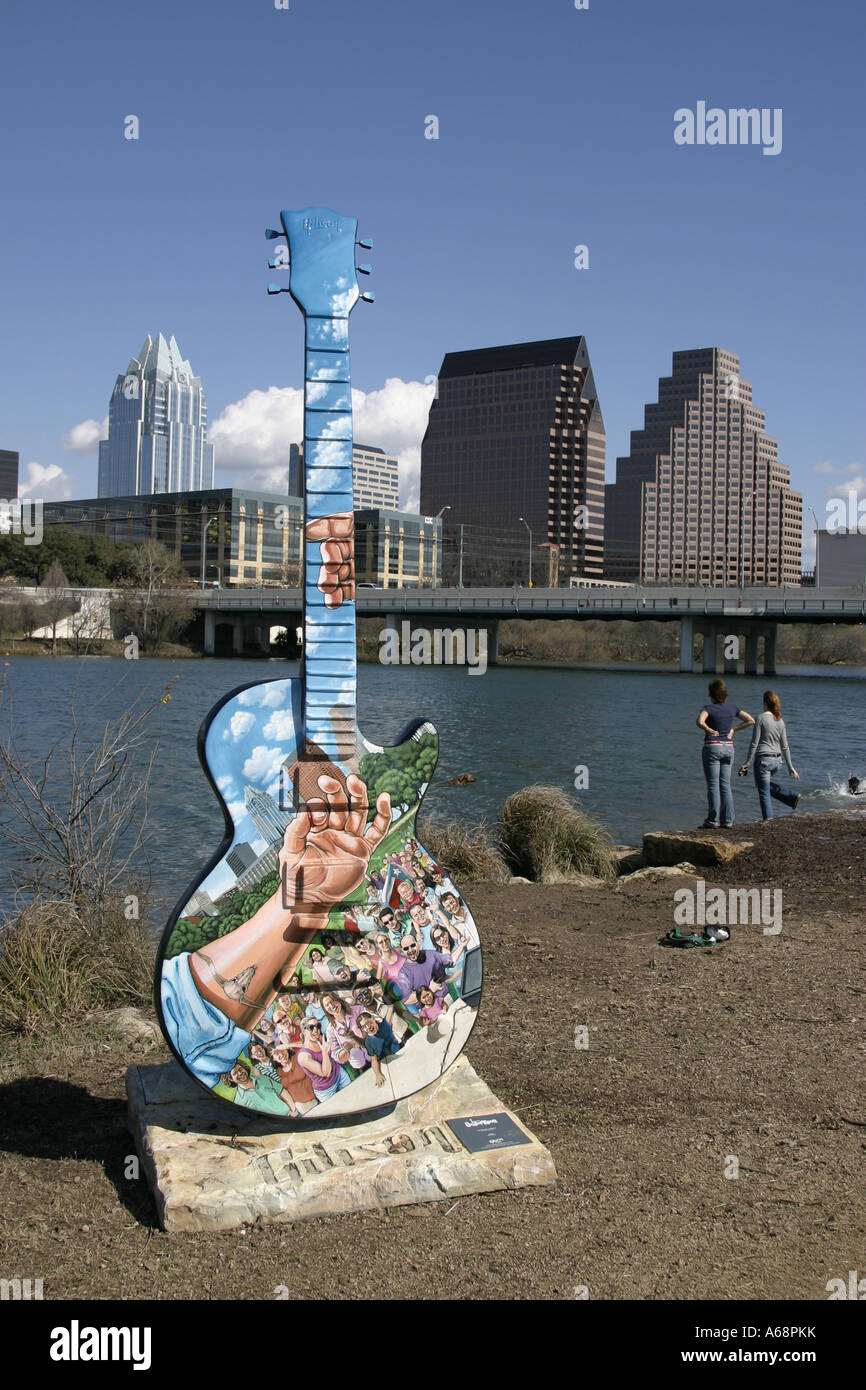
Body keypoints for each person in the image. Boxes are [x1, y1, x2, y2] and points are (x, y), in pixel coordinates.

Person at [696, 678, 755, 829]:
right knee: (725, 784)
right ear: (725, 694)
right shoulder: (732, 708)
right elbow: (751, 720)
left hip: (713, 746)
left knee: (713, 785)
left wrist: (708, 730)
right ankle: (728, 820)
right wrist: (734, 730)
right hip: (729, 748)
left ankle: (713, 820)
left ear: (711, 694)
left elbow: (699, 721)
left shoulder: (708, 708)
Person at [739, 690, 800, 820]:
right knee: (764, 785)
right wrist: (790, 767)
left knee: (764, 792)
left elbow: (754, 743)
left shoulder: (760, 718)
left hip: (763, 761)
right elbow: (785, 746)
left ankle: (768, 821)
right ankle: (792, 797)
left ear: (765, 703)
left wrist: (747, 763)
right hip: (777, 762)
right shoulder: (780, 720)